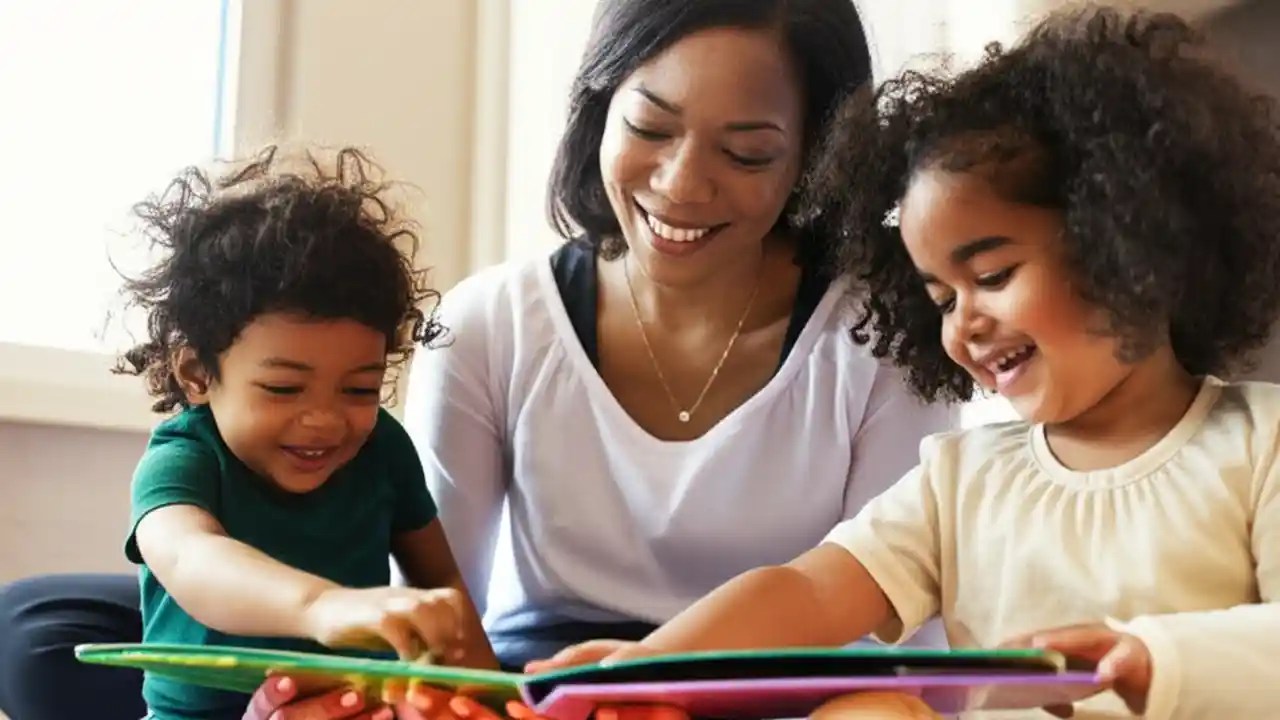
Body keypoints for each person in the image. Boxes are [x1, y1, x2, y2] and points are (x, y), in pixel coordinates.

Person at [0, 1, 953, 718]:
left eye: (746, 153)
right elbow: (434, 598)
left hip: (766, 692)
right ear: (598, 108)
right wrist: (415, 679)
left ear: (820, 158)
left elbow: (901, 632)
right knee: (44, 633)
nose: (681, 183)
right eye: (650, 128)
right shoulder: (499, 321)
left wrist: (668, 686)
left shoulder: (877, 339)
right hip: (536, 684)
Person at [531, 7, 1280, 719]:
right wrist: (650, 665)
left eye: (991, 277)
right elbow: (808, 591)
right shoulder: (960, 480)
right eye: (941, 299)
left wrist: (1151, 655)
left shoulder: (1258, 443)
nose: (965, 324)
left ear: (1127, 242)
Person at [119, 145, 495, 720]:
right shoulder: (184, 456)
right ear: (198, 373)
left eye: (360, 389)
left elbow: (441, 580)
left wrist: (486, 695)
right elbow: (192, 559)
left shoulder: (383, 449)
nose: (325, 420)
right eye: (284, 390)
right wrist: (321, 606)